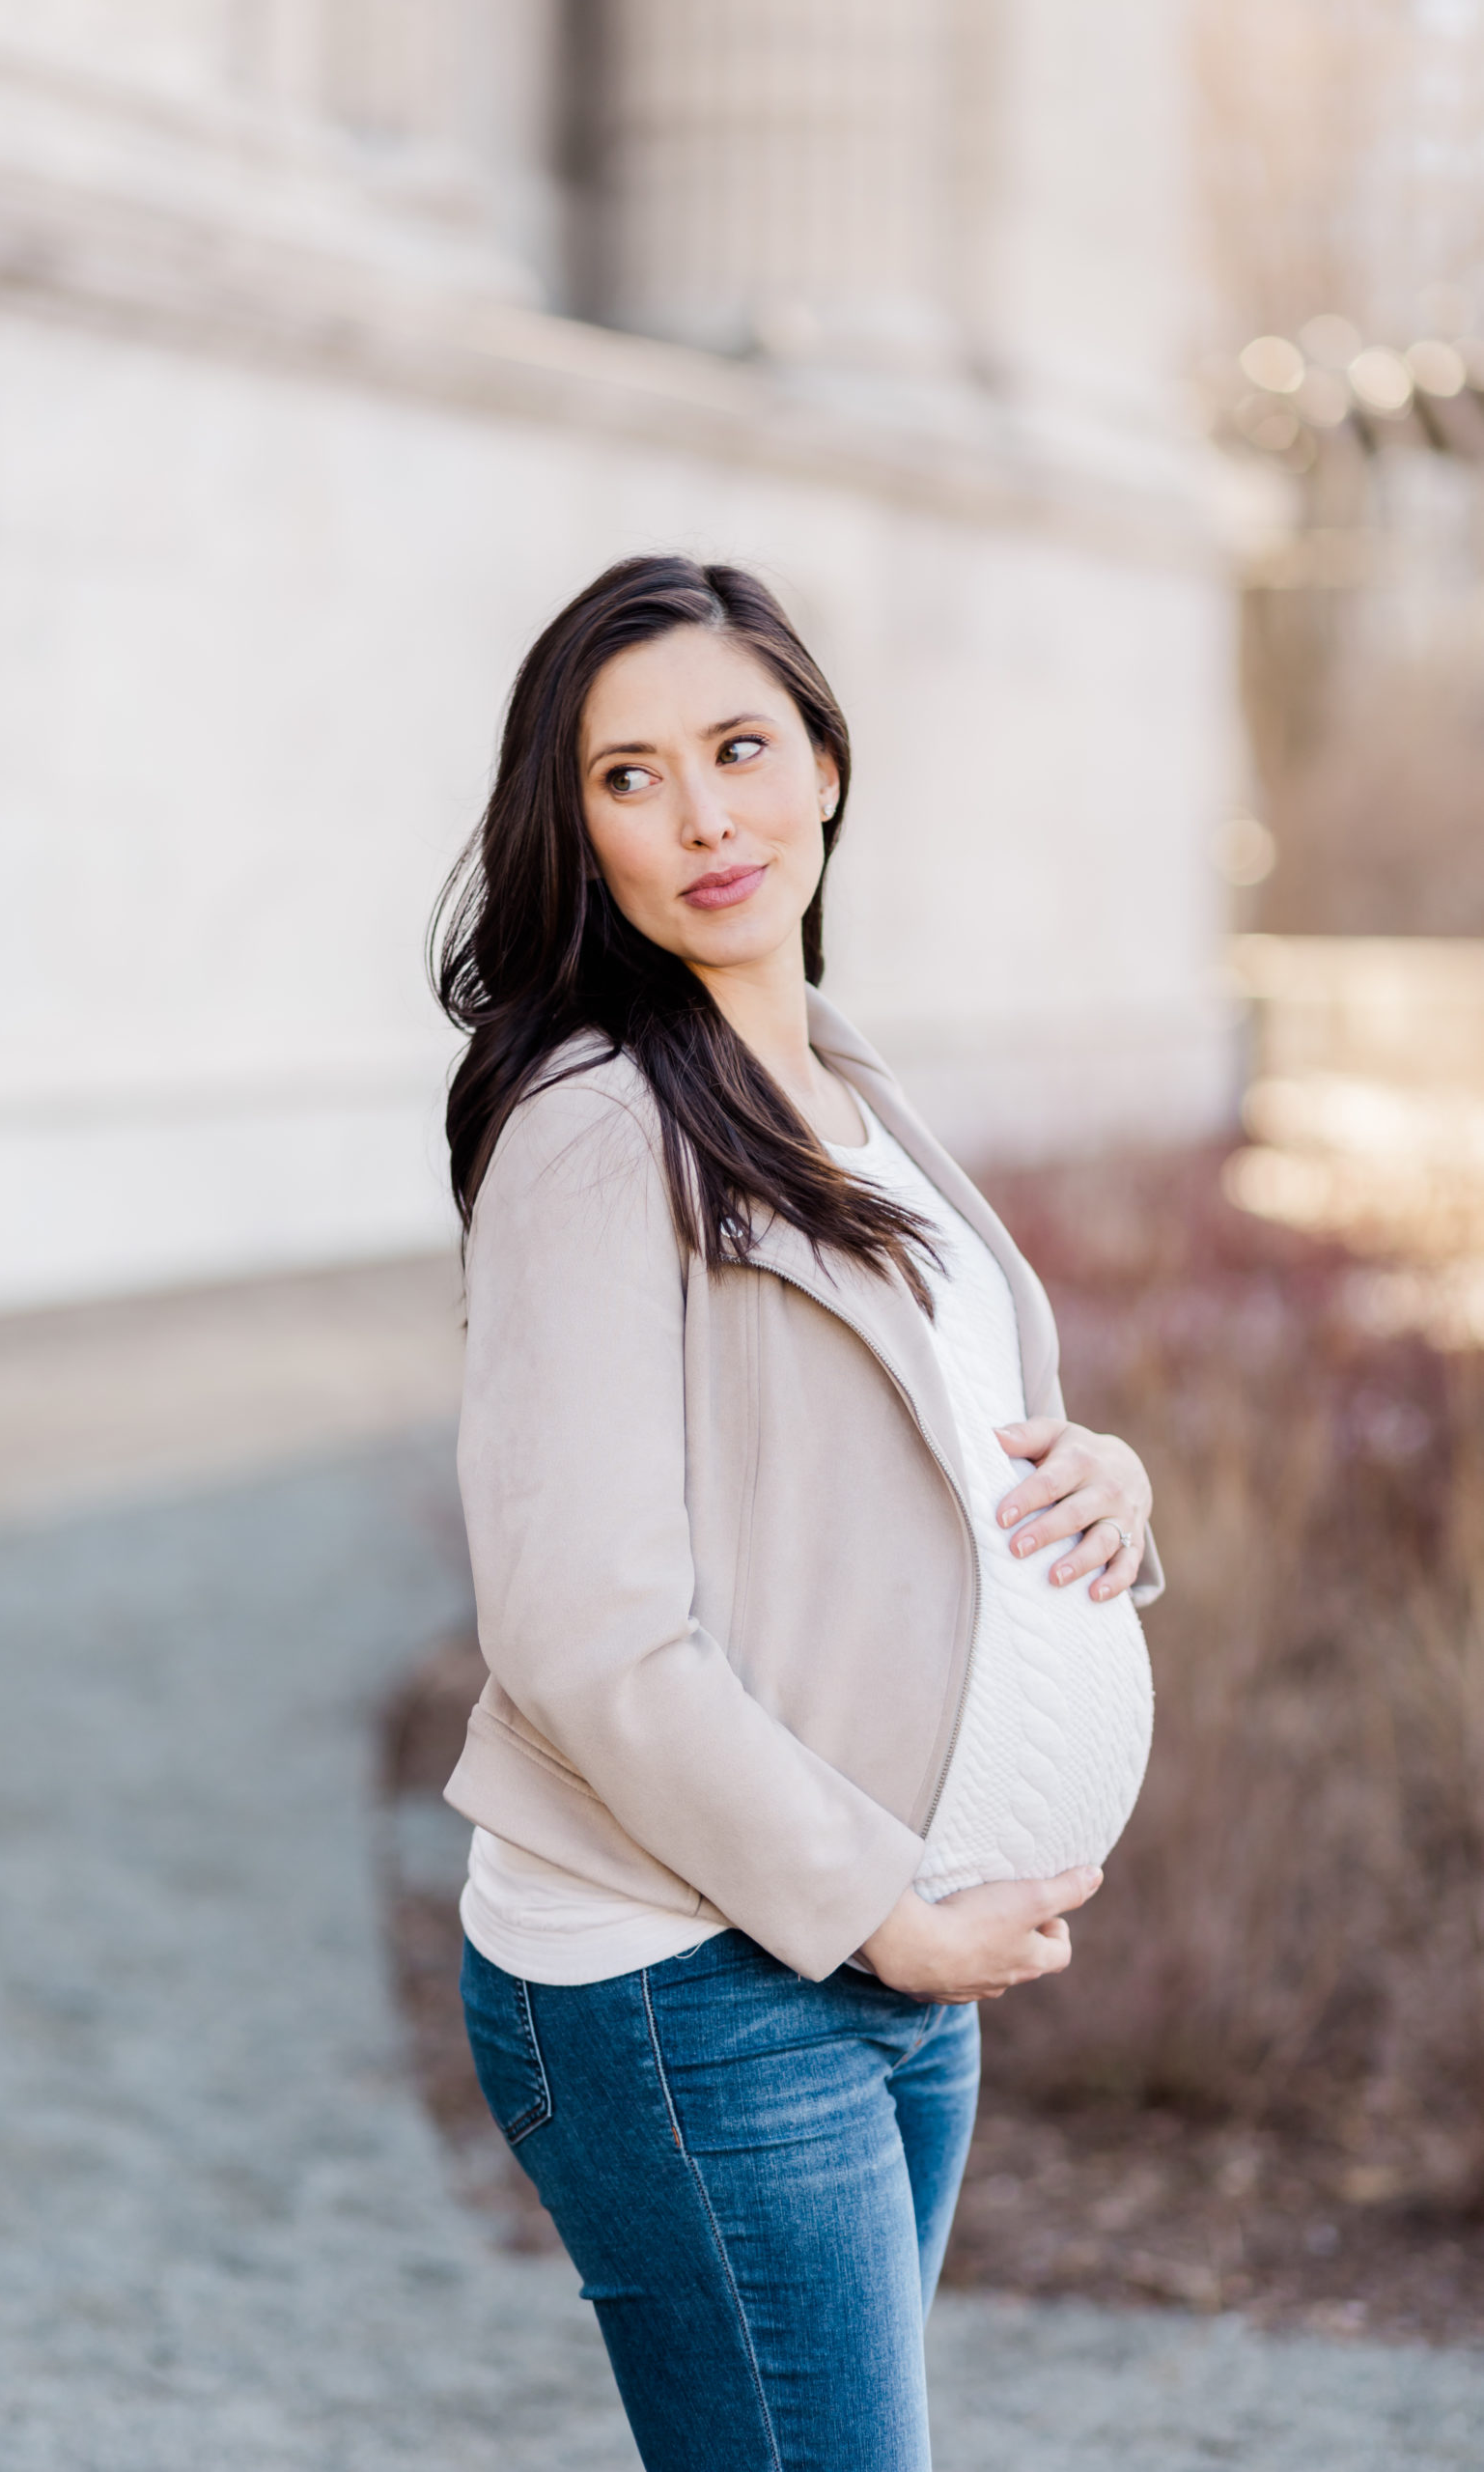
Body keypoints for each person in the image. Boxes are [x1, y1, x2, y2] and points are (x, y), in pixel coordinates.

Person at [433, 554, 1161, 2472]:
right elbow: (583, 1631)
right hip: (697, 1973)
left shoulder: (837, 1081)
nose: (701, 816)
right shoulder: (598, 1124)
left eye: (739, 747)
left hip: (878, 1942)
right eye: (629, 776)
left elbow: (913, 1441)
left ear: (824, 763)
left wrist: (1108, 1479)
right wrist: (876, 1921)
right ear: (575, 829)